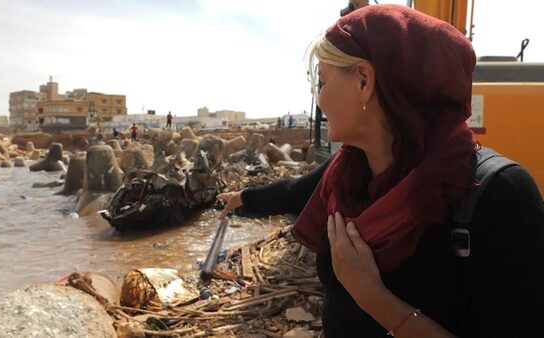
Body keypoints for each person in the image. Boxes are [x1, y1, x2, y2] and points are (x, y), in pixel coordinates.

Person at [216, 5, 544, 337]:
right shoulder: (347, 171)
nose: (320, 99)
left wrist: (373, 298)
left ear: (363, 82)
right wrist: (241, 198)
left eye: (323, 82)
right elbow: (295, 191)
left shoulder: (501, 197)